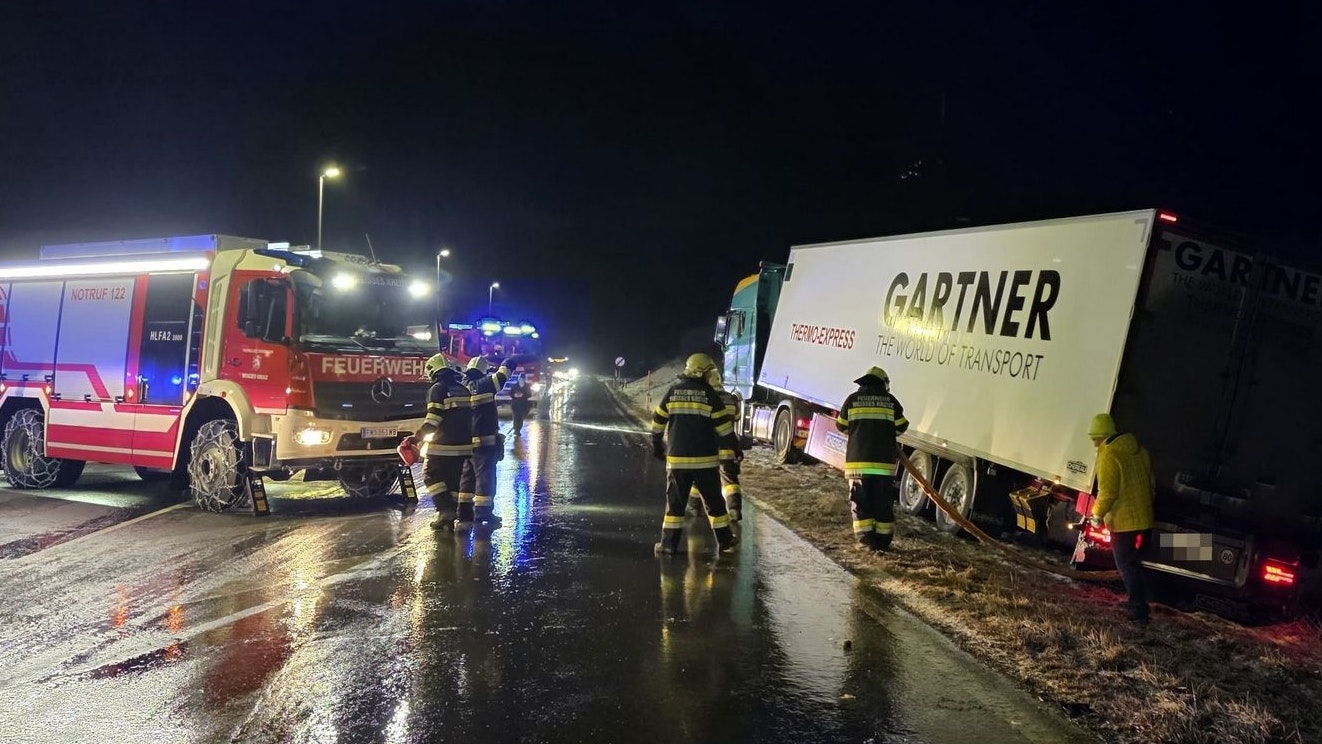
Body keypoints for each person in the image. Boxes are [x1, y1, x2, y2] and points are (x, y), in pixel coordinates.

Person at [651, 352, 739, 555]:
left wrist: (657, 445)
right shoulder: (710, 395)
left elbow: (658, 421)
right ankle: (725, 541)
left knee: (675, 506)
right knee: (715, 503)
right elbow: (724, 428)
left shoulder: (673, 392)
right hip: (706, 463)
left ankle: (668, 545)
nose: (710, 377)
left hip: (677, 462)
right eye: (709, 373)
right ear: (700, 373)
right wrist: (734, 448)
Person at [1087, 412, 1155, 626]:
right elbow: (1151, 484)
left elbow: (1107, 492)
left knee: (1126, 564)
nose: (1095, 444)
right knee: (1134, 563)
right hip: (1145, 520)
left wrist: (1096, 515)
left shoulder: (1108, 455)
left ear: (1101, 437)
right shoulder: (1140, 451)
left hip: (1124, 522)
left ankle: (1137, 610)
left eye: (1095, 439)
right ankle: (1139, 603)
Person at [835, 366, 909, 552]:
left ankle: (866, 541)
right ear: (883, 383)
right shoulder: (891, 401)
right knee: (882, 504)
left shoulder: (852, 400)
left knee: (861, 504)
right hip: (883, 467)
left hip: (858, 465)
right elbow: (901, 428)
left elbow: (841, 426)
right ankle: (882, 543)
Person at [414, 354, 473, 531]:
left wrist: (416, 438)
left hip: (443, 447)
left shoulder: (437, 389)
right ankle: (448, 520)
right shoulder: (463, 390)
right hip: (465, 448)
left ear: (432, 371)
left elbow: (433, 420)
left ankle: (445, 511)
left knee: (430, 476)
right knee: (454, 482)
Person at [458, 355, 514, 529]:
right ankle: (483, 512)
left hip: (465, 441)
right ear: (483, 371)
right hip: (484, 441)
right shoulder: (484, 384)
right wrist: (507, 364)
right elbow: (501, 377)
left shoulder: (460, 387)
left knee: (466, 477)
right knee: (485, 477)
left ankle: (464, 511)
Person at [687, 367, 744, 521]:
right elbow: (737, 416)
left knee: (699, 478)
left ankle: (694, 507)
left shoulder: (705, 398)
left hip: (708, 449)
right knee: (730, 481)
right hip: (728, 448)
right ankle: (734, 510)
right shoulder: (731, 399)